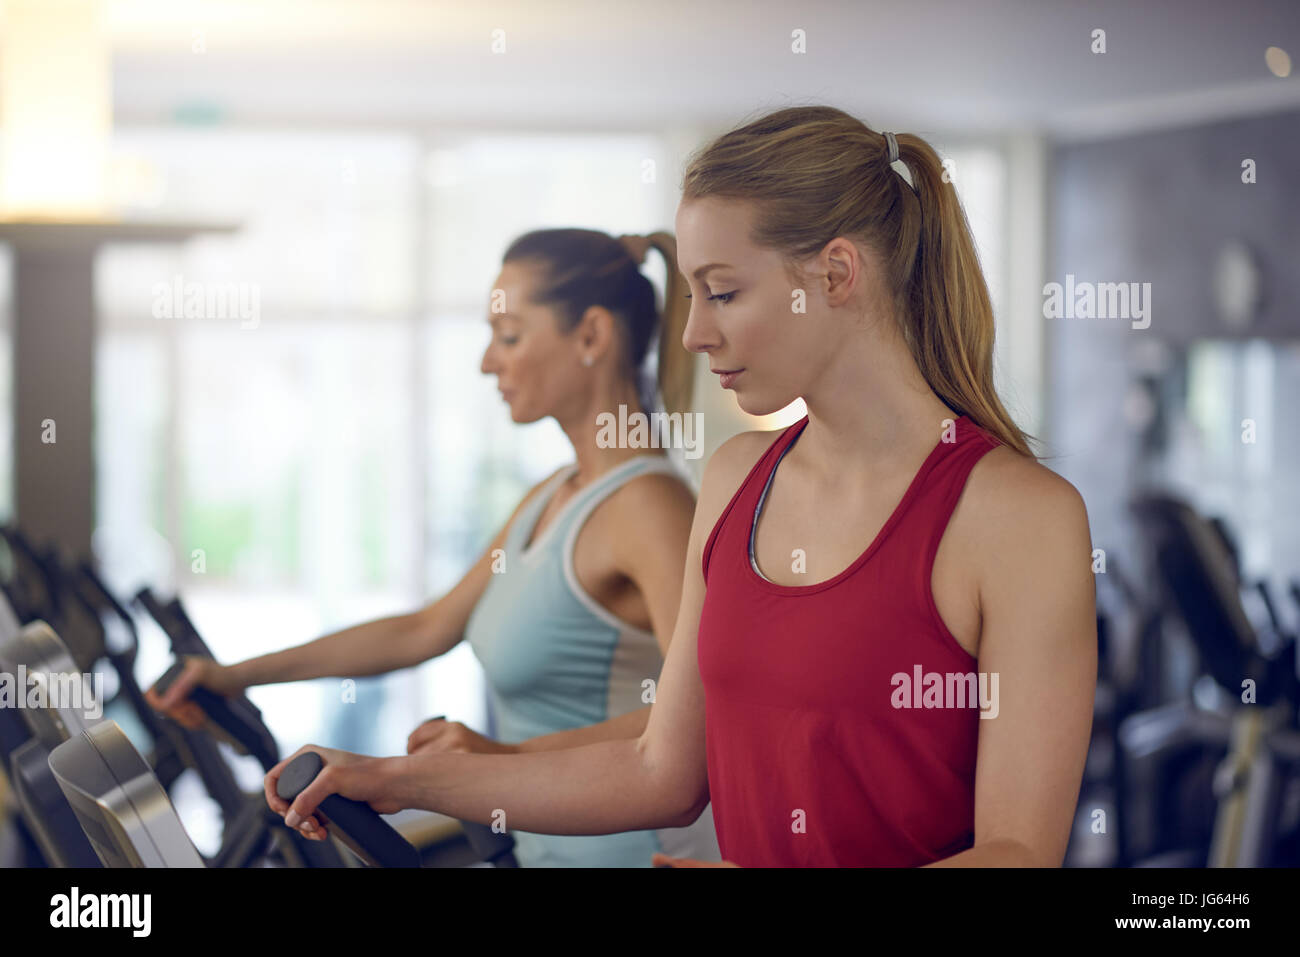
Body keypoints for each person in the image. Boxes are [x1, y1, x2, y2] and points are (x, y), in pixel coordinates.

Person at [263, 104, 1098, 868]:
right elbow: (660, 769)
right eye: (693, 292)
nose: (694, 333)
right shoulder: (737, 480)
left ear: (836, 276)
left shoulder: (1017, 517)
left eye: (724, 292)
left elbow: (1020, 852)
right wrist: (399, 780)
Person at [149, 227, 721, 867]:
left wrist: (502, 760)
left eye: (508, 336)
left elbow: (700, 720)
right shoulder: (555, 494)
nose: (487, 362)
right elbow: (422, 629)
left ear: (591, 336)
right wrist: (234, 676)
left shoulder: (650, 507)